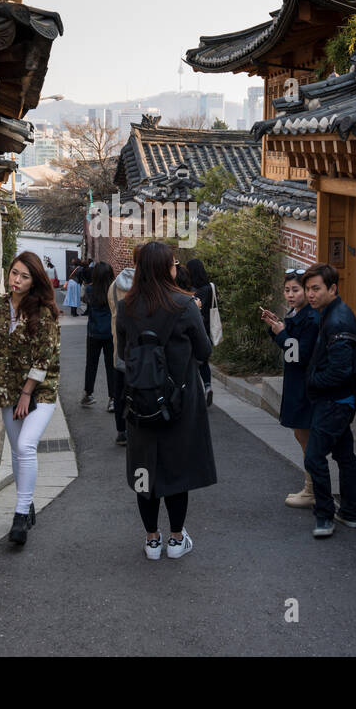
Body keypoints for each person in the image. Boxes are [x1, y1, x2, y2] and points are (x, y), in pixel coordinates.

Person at [117, 240, 216, 560]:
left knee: (146, 470)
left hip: (140, 401)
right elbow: (204, 352)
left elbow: (121, 354)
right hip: (180, 401)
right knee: (177, 470)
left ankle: (151, 539)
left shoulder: (126, 307)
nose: (177, 268)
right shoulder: (184, 305)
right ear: (165, 268)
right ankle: (176, 540)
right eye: (173, 263)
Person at [0, 252, 62, 546]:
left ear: (35, 282)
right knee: (17, 450)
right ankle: (26, 502)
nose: (16, 280)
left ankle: (20, 515)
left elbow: (45, 357)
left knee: (25, 444)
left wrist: (27, 393)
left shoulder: (43, 312)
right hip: (8, 388)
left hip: (41, 390)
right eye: (14, 273)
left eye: (24, 276)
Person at [301, 263, 356, 539]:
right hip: (340, 400)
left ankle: (325, 516)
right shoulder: (332, 312)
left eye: (316, 289)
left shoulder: (337, 319)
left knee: (314, 457)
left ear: (332, 289)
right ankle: (350, 512)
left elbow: (341, 369)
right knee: (344, 456)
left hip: (335, 402)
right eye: (308, 289)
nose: (310, 294)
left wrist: (313, 382)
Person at [259, 268, 319, 507]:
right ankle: (310, 488)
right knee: (300, 434)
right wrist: (277, 326)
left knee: (307, 436)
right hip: (297, 382)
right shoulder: (297, 313)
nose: (290, 295)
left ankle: (311, 490)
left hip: (305, 384)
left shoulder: (312, 318)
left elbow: (299, 354)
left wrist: (282, 334)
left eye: (295, 290)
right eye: (287, 290)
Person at [107, 246, 141, 444]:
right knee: (140, 389)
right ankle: (138, 427)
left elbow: (113, 311)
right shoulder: (146, 286)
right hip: (140, 349)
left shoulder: (113, 286)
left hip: (118, 346)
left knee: (120, 391)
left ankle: (121, 431)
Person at [81, 261, 118, 407]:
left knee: (91, 364)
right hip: (110, 332)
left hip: (93, 332)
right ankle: (113, 399)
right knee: (111, 365)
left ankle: (88, 394)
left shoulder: (90, 290)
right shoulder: (114, 290)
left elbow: (84, 300)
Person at [187, 258, 216, 407]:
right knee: (204, 361)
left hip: (194, 330)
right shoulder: (210, 287)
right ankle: (208, 385)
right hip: (207, 330)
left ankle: (195, 393)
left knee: (192, 362)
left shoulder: (191, 290)